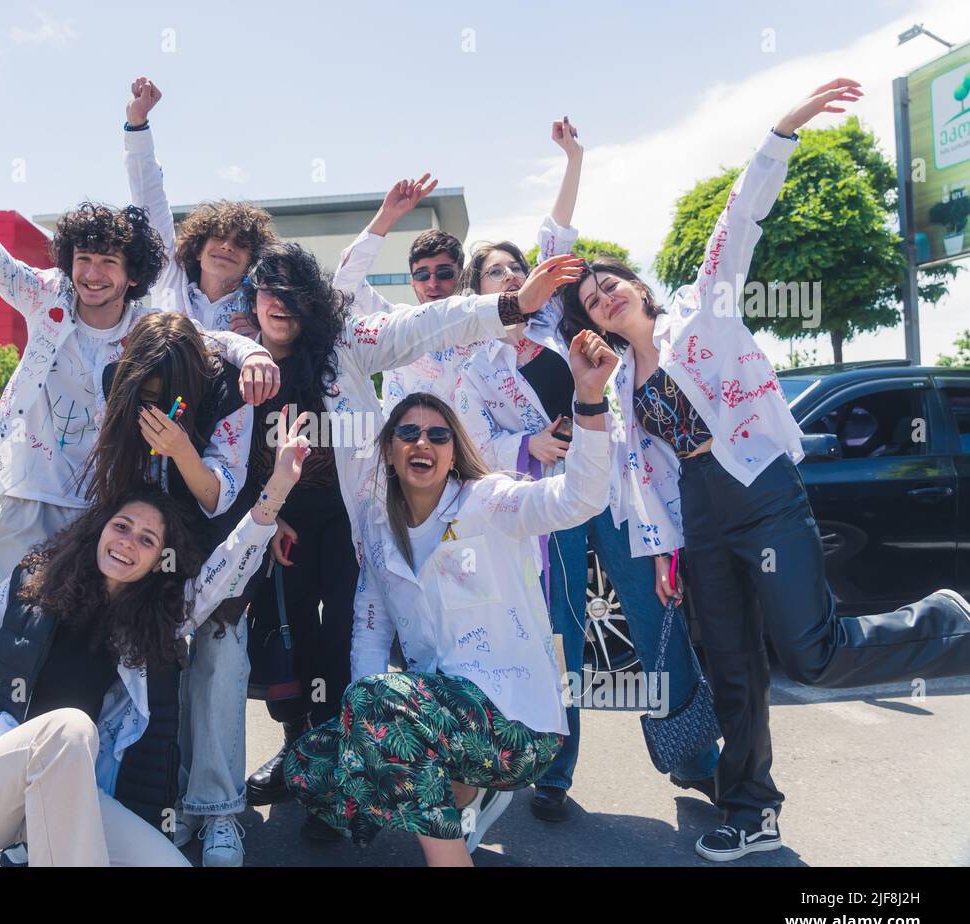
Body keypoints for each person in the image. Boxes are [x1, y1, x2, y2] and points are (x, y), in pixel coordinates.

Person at [558, 78, 970, 862]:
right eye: (588, 299)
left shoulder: (705, 313)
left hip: (762, 491)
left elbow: (737, 219)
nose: (600, 295)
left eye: (607, 281)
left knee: (811, 654)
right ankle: (752, 809)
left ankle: (945, 623)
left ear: (637, 287)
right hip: (701, 519)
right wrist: (667, 555)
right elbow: (645, 481)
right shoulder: (619, 387)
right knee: (734, 670)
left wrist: (781, 130)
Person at [227, 240, 579, 851]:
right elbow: (226, 427)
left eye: (295, 293)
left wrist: (510, 304)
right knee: (289, 636)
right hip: (281, 516)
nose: (281, 304)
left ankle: (361, 764)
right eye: (269, 291)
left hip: (353, 518)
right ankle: (303, 747)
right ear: (253, 299)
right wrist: (269, 504)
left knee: (348, 635)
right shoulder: (238, 356)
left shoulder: (346, 344)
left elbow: (426, 322)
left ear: (315, 303)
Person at [454, 119, 720, 824]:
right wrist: (529, 448)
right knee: (562, 635)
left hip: (621, 495)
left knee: (652, 618)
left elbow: (557, 233)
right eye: (496, 273)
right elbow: (471, 442)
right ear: (481, 291)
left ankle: (697, 759)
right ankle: (552, 774)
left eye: (518, 269)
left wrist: (573, 158)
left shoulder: (560, 330)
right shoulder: (475, 365)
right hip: (550, 509)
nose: (511, 278)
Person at [0, 415, 312, 866]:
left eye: (147, 539)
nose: (128, 543)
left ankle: (36, 849)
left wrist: (277, 488)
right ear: (100, 528)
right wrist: (24, 743)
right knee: (69, 731)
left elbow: (223, 571)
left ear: (159, 560)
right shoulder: (30, 584)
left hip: (68, 795)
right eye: (122, 527)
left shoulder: (150, 626)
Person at [285, 331, 616, 867]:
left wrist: (590, 400)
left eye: (439, 435)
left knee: (377, 707)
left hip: (519, 722)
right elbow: (369, 633)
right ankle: (458, 791)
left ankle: (450, 853)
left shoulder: (490, 501)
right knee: (310, 766)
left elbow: (581, 497)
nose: (424, 443)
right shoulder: (379, 530)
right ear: (389, 451)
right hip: (441, 714)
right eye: (409, 433)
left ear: (455, 448)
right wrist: (358, 731)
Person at [0, 112, 279, 588]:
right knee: (10, 625)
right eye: (83, 260)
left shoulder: (147, 330)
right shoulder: (48, 298)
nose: (92, 273)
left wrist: (253, 354)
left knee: (87, 636)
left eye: (108, 262)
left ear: (132, 276)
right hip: (31, 493)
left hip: (107, 504)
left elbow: (208, 338)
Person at [87, 309, 257, 866]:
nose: (157, 405)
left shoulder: (229, 391)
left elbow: (218, 496)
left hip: (213, 549)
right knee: (135, 664)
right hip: (142, 541)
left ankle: (219, 809)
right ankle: (151, 796)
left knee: (219, 660)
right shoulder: (119, 381)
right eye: (147, 394)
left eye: (169, 394)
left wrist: (181, 448)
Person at [333, 119, 585, 415]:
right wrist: (386, 216)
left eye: (443, 273)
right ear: (412, 282)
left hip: (481, 459)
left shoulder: (489, 326)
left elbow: (552, 251)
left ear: (464, 278)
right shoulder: (397, 324)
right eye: (422, 275)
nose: (432, 284)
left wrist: (574, 159)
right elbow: (345, 286)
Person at [123, 77, 277, 332]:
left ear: (252, 260)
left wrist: (260, 341)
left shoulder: (261, 311)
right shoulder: (171, 279)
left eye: (241, 244)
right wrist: (137, 123)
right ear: (197, 249)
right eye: (218, 238)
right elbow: (150, 199)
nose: (227, 247)